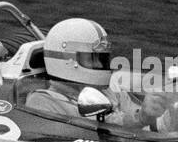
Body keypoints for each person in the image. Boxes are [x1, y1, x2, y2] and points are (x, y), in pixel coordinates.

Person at [24, 18, 167, 129]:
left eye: (102, 59)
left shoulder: (110, 92)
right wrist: (139, 118)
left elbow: (146, 127)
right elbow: (94, 131)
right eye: (92, 59)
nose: (99, 65)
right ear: (68, 59)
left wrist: (172, 117)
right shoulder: (42, 101)